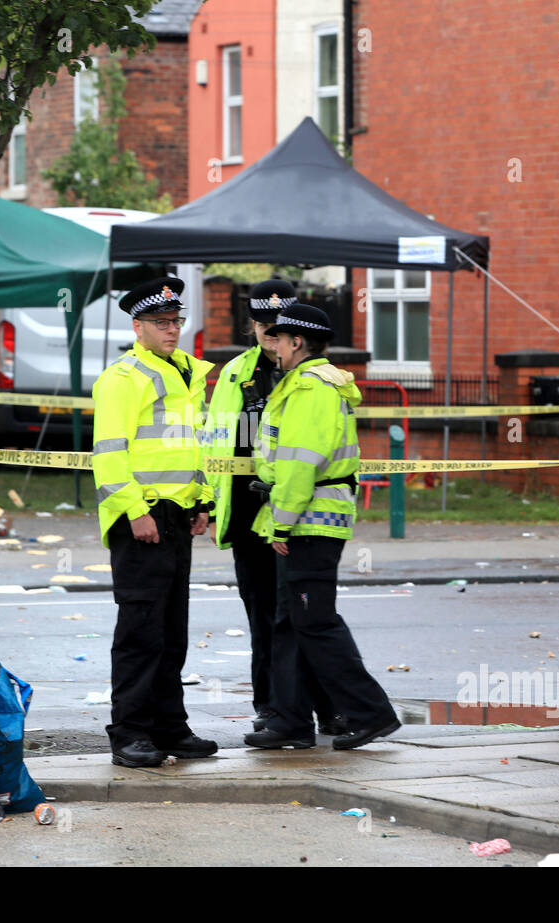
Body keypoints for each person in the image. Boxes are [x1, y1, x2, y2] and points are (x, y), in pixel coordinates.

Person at [242, 303, 400, 751]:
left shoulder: (310, 389)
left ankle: (371, 713)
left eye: (279, 339)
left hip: (308, 522)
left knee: (316, 622)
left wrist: (283, 525)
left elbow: (299, 464)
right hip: (305, 519)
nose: (272, 347)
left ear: (298, 343)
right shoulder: (304, 383)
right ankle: (290, 720)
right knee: (290, 623)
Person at [91, 275, 219, 768]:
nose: (172, 330)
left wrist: (203, 499)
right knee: (141, 631)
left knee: (171, 630)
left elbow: (193, 444)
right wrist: (135, 510)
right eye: (161, 323)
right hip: (140, 516)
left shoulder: (186, 373)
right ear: (137, 325)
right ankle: (129, 733)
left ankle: (169, 727)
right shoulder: (124, 378)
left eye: (176, 321)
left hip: (178, 514)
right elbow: (108, 453)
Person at [205, 279, 342, 735]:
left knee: (300, 617)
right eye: (263, 323)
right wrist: (207, 500)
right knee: (264, 617)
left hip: (293, 509)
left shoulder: (308, 371)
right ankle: (274, 707)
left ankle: (318, 709)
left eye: (277, 325)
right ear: (252, 324)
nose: (269, 332)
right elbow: (214, 439)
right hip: (247, 509)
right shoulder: (233, 373)